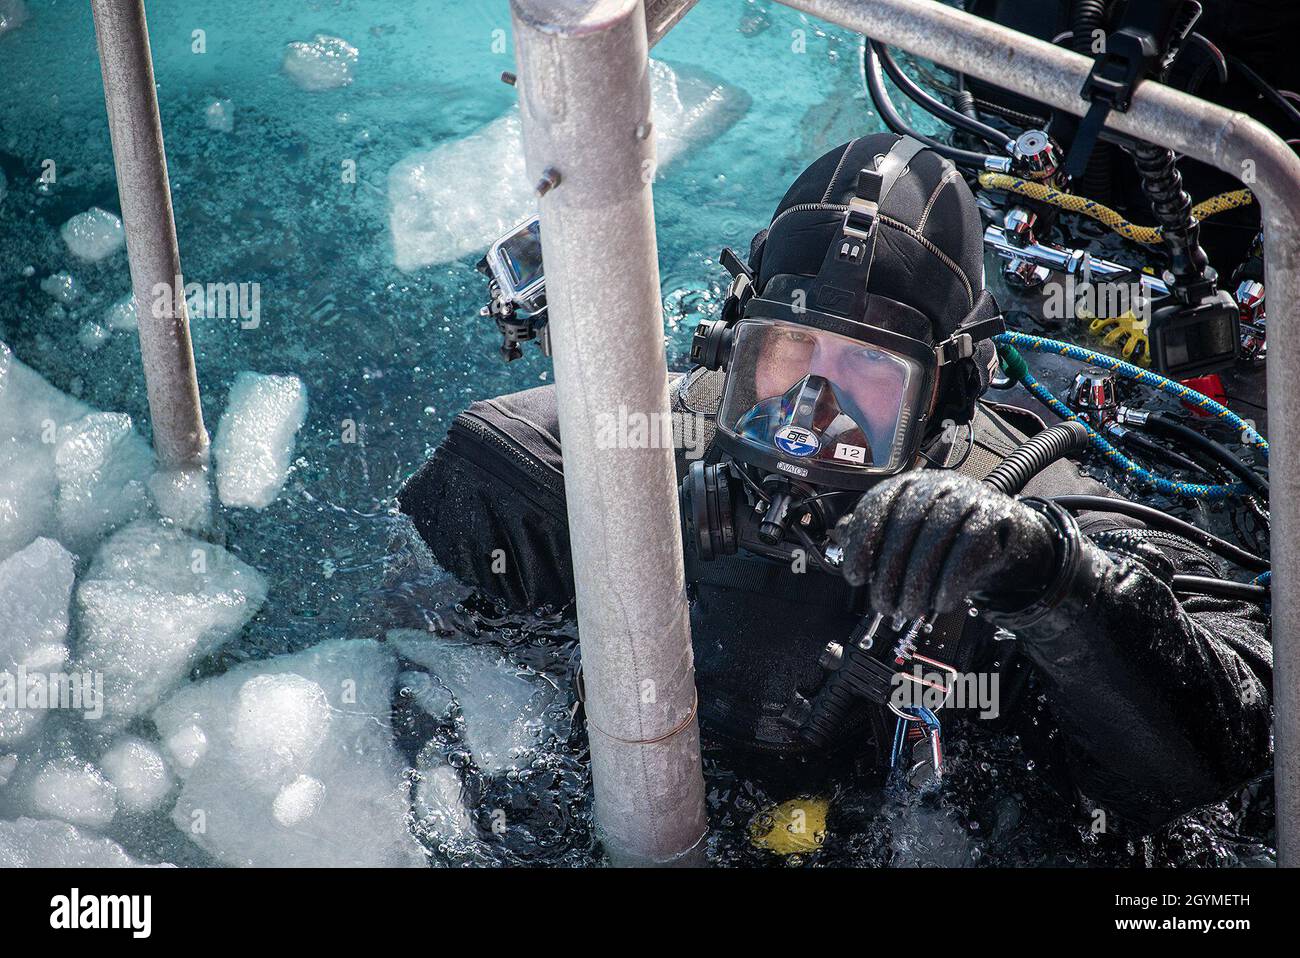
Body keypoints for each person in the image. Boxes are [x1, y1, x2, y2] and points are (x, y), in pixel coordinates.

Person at [399, 133, 1271, 833]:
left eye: (866, 384)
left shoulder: (1023, 521)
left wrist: (1055, 582)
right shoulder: (578, 467)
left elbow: (1221, 752)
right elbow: (429, 671)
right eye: (785, 360)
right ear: (732, 342)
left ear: (942, 400)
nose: (814, 416)